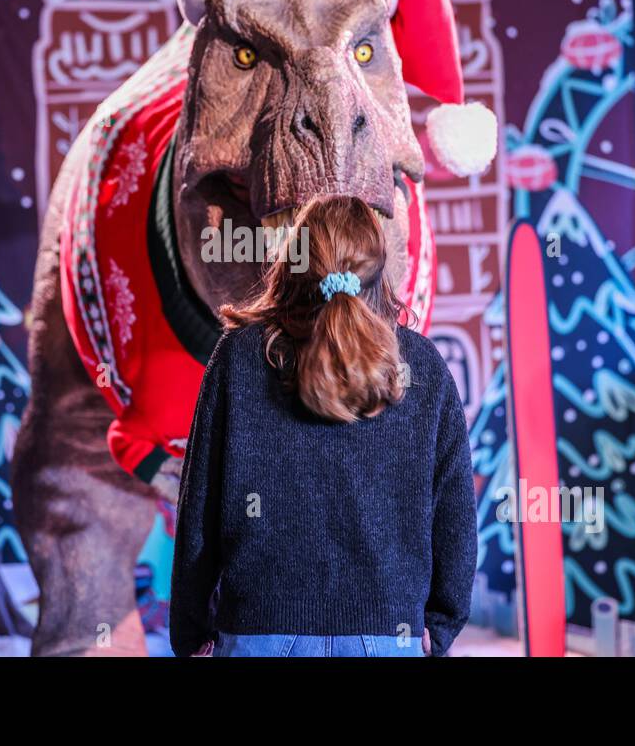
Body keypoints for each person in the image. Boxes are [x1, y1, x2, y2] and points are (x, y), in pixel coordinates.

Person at [169, 195, 478, 658]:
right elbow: (455, 519)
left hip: (257, 634)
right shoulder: (422, 368)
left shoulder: (238, 358)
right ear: (379, 266)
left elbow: (199, 510)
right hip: (389, 636)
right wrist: (440, 625)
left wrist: (191, 631)